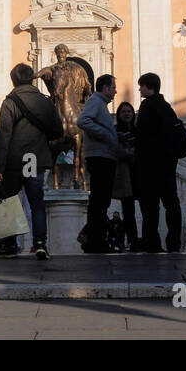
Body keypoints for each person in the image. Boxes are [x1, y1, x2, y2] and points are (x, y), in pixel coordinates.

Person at [0, 63, 63, 259]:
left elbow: (4, 136)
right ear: (33, 79)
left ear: (13, 80)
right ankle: (40, 244)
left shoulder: (10, 102)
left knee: (9, 202)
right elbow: (58, 130)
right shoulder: (45, 101)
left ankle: (8, 246)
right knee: (36, 203)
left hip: (14, 160)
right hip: (35, 159)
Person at [134, 73, 182, 253]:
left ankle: (152, 242)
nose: (139, 89)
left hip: (150, 165)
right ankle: (174, 242)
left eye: (141, 86)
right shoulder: (167, 107)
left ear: (149, 87)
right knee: (172, 205)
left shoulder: (147, 106)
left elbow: (142, 136)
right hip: (168, 164)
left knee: (150, 207)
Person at [77, 74, 124, 253]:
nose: (116, 91)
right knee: (99, 200)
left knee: (101, 200)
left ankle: (93, 237)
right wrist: (106, 134)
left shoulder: (100, 104)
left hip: (103, 156)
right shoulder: (96, 102)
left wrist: (114, 135)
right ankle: (94, 241)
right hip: (100, 157)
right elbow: (83, 121)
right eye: (113, 87)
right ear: (105, 88)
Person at [112, 102, 140, 251]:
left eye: (129, 111)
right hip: (125, 175)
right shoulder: (115, 131)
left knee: (147, 209)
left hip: (139, 173)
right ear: (119, 114)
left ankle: (145, 239)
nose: (127, 114)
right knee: (128, 211)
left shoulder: (138, 130)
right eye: (123, 111)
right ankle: (133, 240)